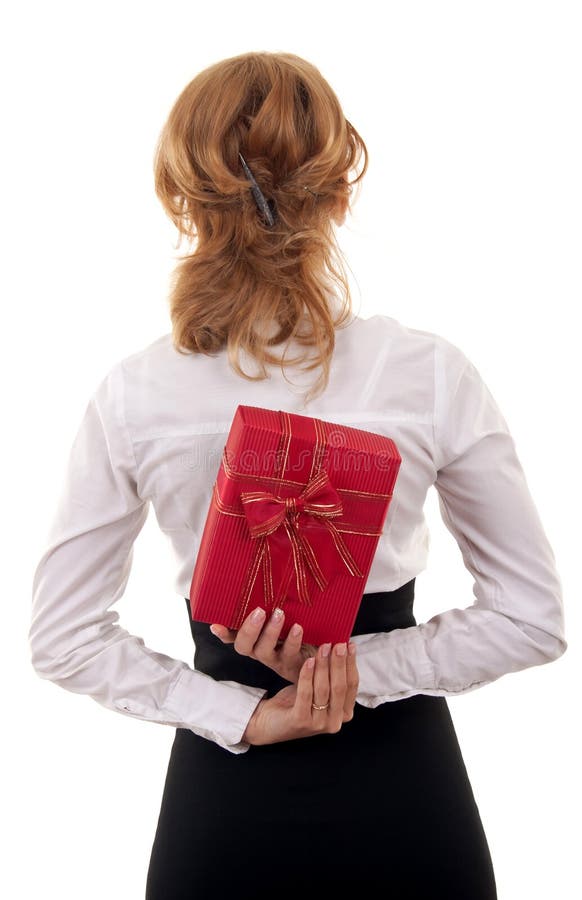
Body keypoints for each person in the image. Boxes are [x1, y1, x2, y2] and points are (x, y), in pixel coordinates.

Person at [29, 51, 567, 899]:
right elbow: (532, 618)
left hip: (224, 800)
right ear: (341, 189)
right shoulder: (427, 371)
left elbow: (61, 638)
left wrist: (242, 712)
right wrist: (363, 670)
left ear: (179, 198)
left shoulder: (134, 391)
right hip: (407, 794)